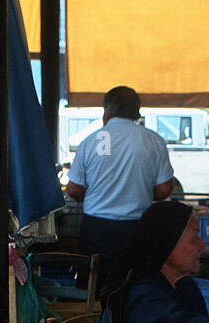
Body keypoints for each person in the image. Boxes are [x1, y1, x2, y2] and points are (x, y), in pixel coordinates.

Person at [66, 86, 177, 284]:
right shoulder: (154, 141)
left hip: (96, 229)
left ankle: (96, 315)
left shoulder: (90, 142)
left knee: (94, 287)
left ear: (106, 112)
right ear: (137, 112)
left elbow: (73, 189)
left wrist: (97, 195)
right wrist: (136, 192)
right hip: (138, 228)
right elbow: (164, 189)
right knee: (134, 288)